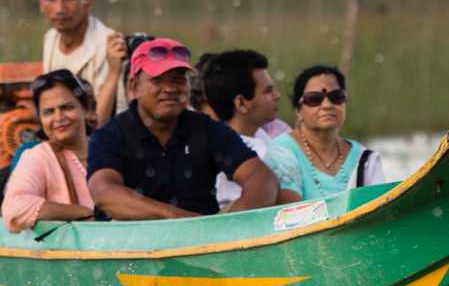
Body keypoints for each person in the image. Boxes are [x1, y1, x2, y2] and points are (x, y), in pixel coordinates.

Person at [87, 37, 281, 219]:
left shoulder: (206, 128)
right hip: (129, 243)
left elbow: (262, 179)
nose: (170, 89)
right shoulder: (110, 135)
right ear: (134, 86)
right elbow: (105, 194)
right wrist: (182, 221)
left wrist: (231, 226)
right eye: (158, 80)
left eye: (178, 80)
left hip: (203, 243)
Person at [263, 64, 387, 201]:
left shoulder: (365, 159)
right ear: (298, 111)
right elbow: (290, 214)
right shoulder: (282, 152)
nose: (327, 105)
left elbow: (382, 211)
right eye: (314, 99)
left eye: (336, 97)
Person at [35, 0, 126, 126]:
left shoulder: (109, 47)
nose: (60, 9)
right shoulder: (50, 38)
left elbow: (99, 125)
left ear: (87, 0)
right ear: (41, 3)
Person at [0, 70, 97, 232]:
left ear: (85, 109)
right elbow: (14, 209)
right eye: (48, 112)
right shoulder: (39, 157)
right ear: (40, 119)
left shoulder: (108, 148)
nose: (59, 118)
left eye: (67, 107)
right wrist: (83, 213)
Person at [197, 49, 292, 207]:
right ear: (241, 103)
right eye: (268, 91)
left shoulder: (262, 136)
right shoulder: (224, 154)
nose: (277, 95)